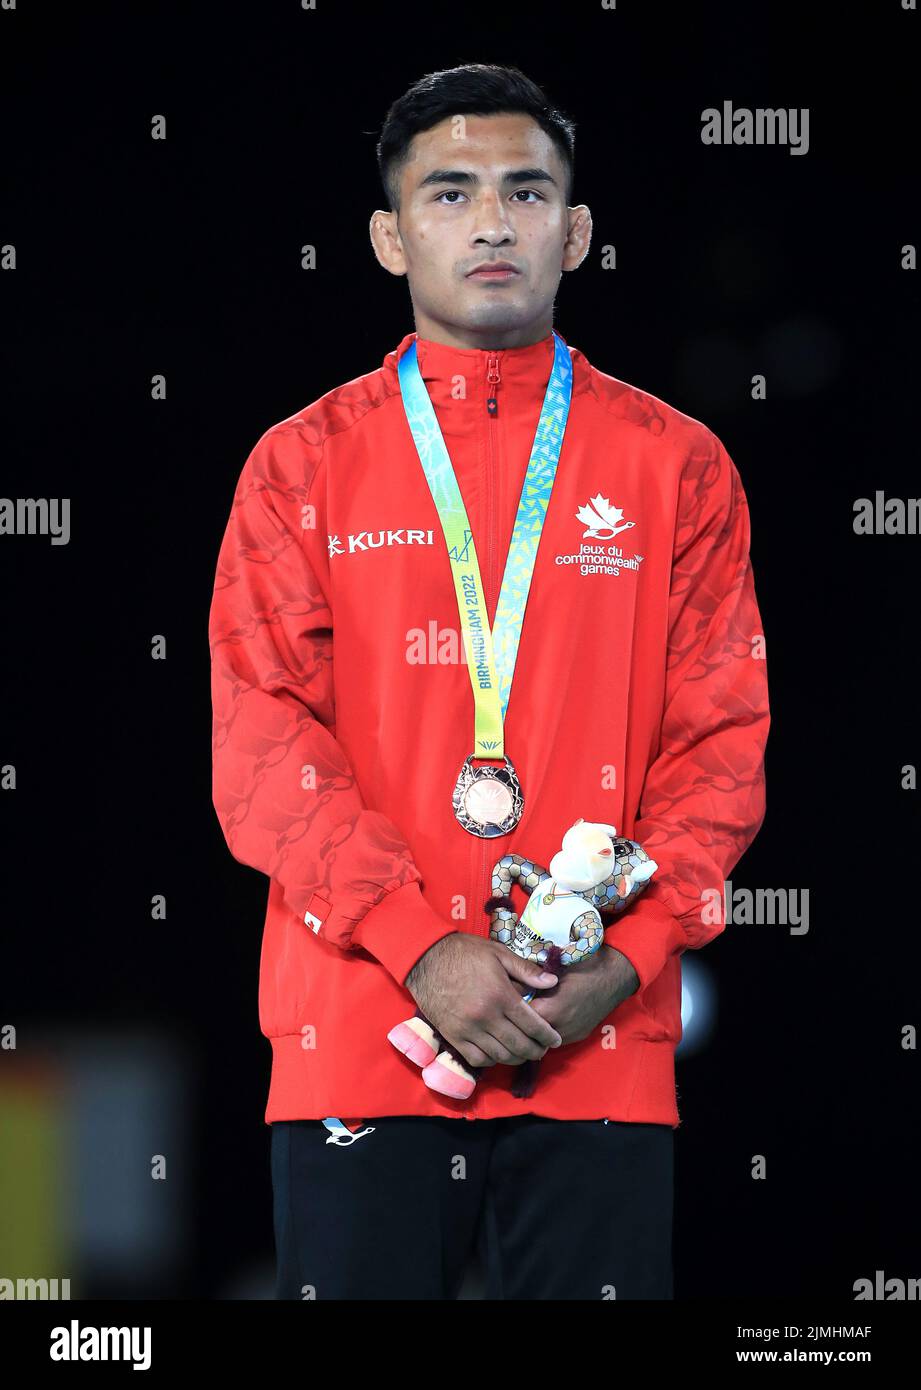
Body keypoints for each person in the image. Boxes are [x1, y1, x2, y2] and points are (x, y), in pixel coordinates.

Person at [208, 63, 770, 1300]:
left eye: (526, 191)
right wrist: (421, 947)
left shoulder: (677, 465)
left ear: (575, 231)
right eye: (450, 193)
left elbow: (721, 744)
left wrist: (632, 956)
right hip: (362, 1030)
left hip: (596, 1035)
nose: (493, 222)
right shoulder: (300, 466)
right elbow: (261, 745)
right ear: (389, 236)